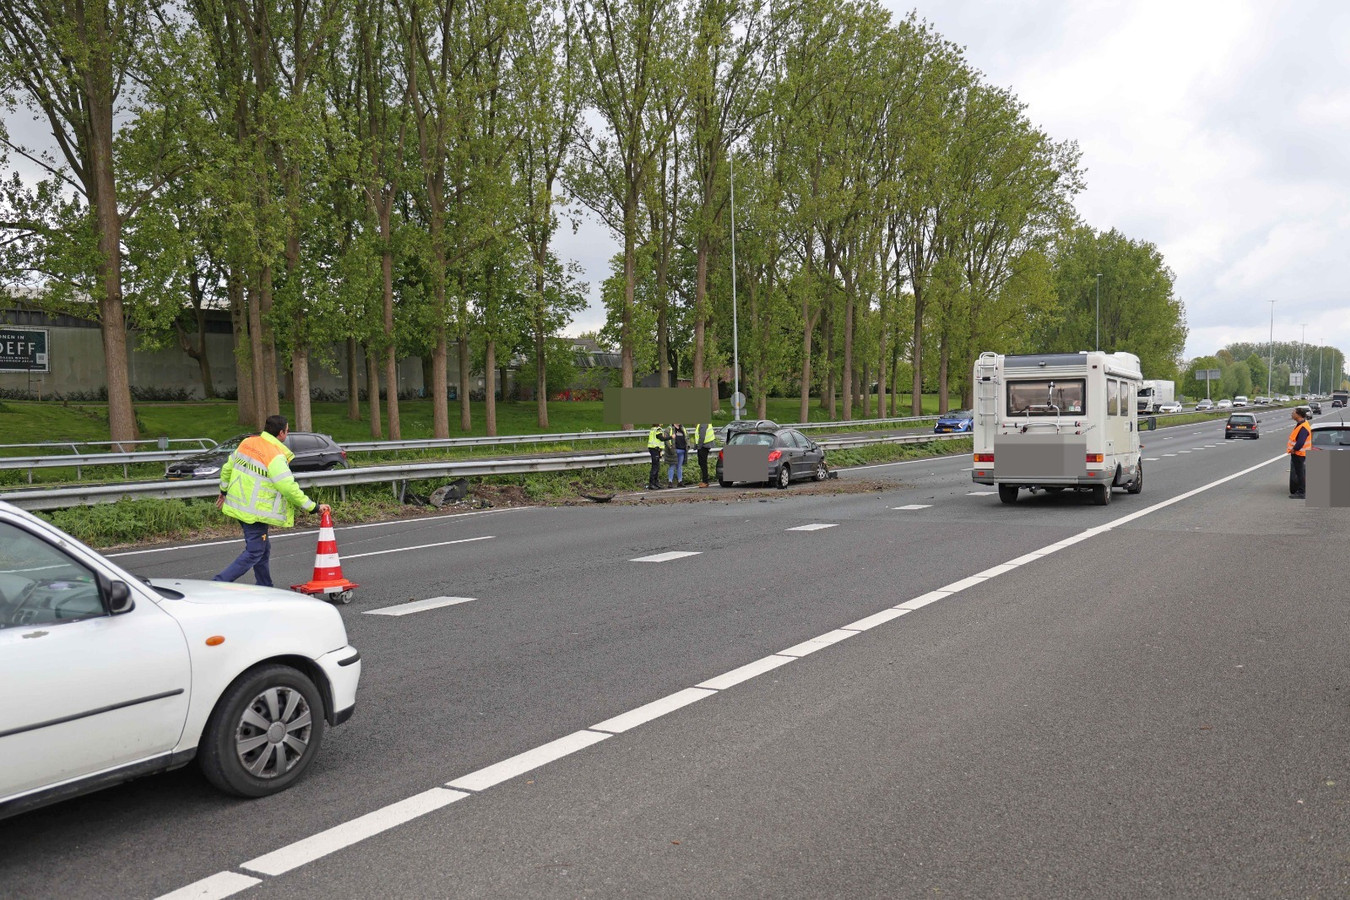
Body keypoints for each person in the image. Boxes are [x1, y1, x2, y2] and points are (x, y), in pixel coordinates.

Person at [214, 415, 329, 586]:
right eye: (288, 431)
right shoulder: (275, 455)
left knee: (263, 549)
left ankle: (265, 586)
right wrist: (313, 507)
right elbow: (287, 487)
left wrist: (223, 491)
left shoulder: (247, 443)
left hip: (239, 506)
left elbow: (227, 469)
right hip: (255, 512)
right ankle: (218, 583)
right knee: (255, 551)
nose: (287, 434)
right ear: (281, 433)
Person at [1287, 405, 1312, 498]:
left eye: (1293, 413)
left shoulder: (1303, 427)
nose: (1292, 414)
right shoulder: (1301, 425)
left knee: (1300, 473)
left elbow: (1301, 441)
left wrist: (1294, 449)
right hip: (1299, 453)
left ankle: (1302, 492)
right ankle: (1301, 491)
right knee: (1299, 473)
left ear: (1298, 415)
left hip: (1299, 454)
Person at [688, 421, 715, 487]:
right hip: (703, 445)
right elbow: (698, 435)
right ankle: (704, 480)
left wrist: (699, 446)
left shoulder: (703, 423)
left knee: (703, 463)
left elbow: (702, 436)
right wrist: (696, 446)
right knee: (701, 463)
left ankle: (705, 481)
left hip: (704, 445)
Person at [646, 423, 669, 490]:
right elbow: (661, 438)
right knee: (655, 467)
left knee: (657, 467)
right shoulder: (658, 429)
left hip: (655, 449)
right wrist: (670, 437)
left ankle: (656, 482)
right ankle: (652, 483)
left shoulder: (653, 429)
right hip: (655, 449)